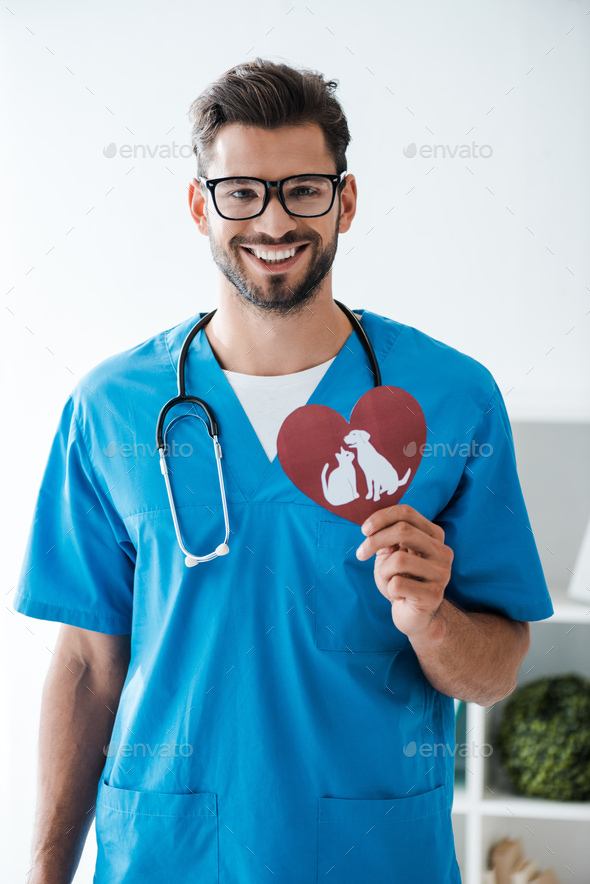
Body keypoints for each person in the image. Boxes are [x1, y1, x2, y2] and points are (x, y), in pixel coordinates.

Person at [14, 58, 553, 884]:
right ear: (201, 205)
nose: (273, 220)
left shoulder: (452, 400)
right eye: (241, 191)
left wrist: (435, 620)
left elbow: (497, 668)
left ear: (347, 199)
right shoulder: (112, 407)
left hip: (371, 856)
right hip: (166, 852)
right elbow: (88, 665)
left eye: (303, 189)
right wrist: (44, 872)